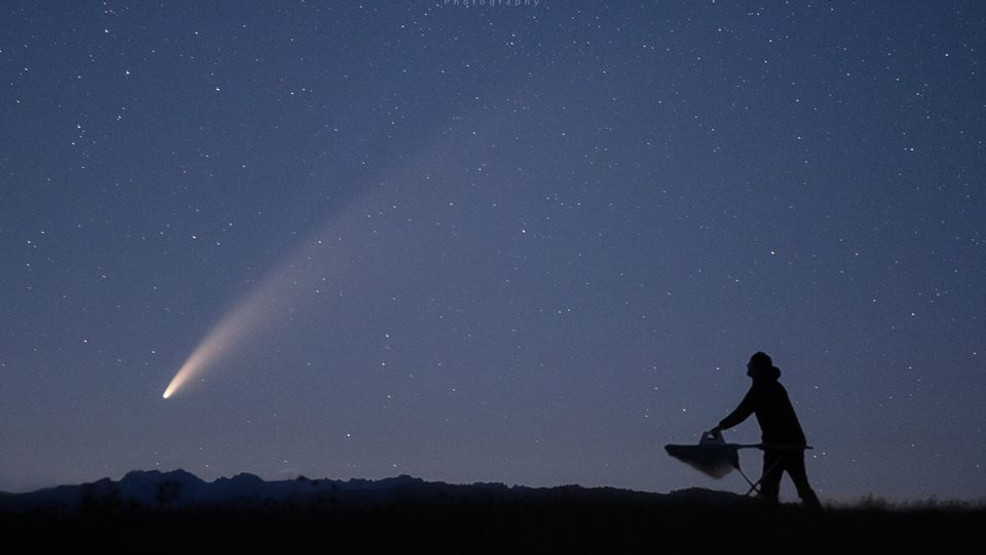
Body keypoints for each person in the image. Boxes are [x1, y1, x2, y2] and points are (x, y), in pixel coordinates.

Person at [709, 352, 821, 509]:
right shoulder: (773, 385)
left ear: (757, 368)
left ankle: (769, 519)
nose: (747, 366)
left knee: (770, 487)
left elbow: (743, 410)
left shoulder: (761, 387)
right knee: (799, 484)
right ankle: (817, 514)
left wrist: (720, 427)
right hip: (791, 443)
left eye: (750, 364)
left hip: (779, 445)